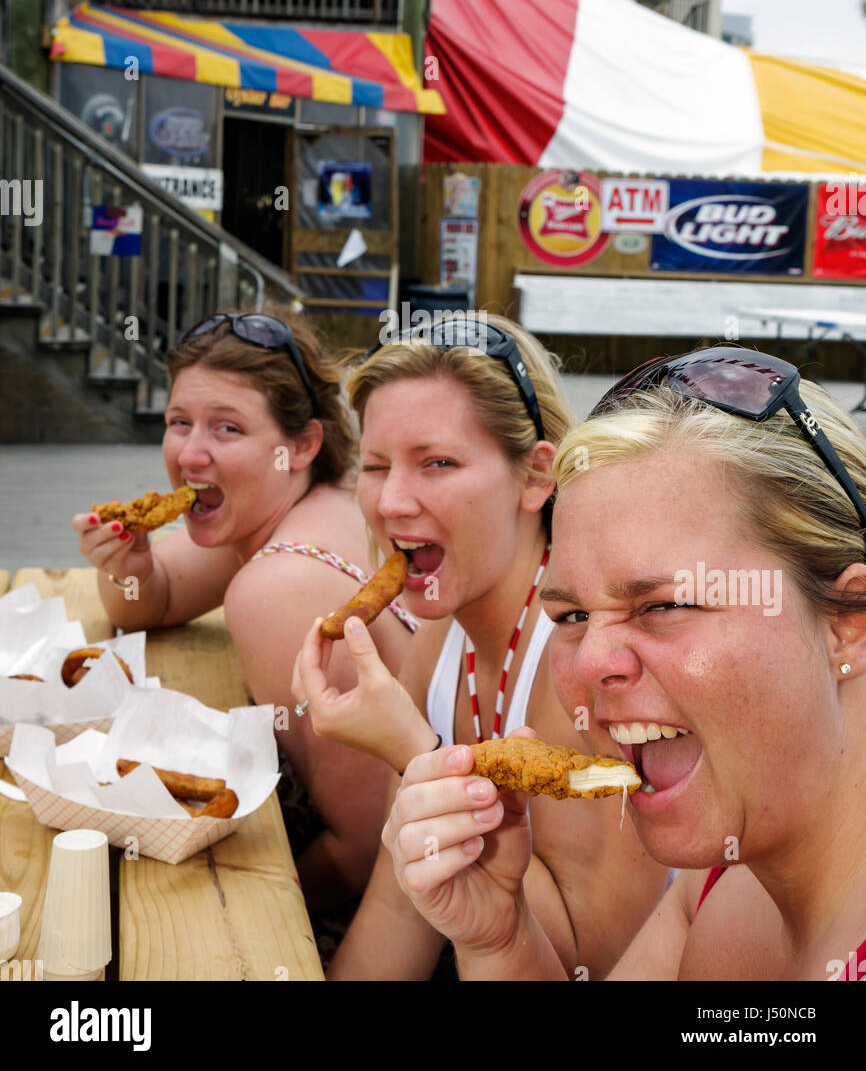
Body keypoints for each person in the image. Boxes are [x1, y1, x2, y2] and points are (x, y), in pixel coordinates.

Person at [380, 347, 866, 981]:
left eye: (663, 604)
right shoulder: (719, 879)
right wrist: (498, 939)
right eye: (572, 617)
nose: (592, 664)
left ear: (846, 623)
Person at [292, 313, 669, 979]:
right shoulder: (438, 636)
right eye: (376, 466)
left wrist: (414, 754)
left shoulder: (590, 659)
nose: (393, 501)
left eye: (438, 462)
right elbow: (397, 903)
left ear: (534, 477)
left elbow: (592, 956)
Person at [72, 309, 414, 930]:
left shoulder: (276, 584)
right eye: (180, 423)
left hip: (390, 925)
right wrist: (128, 562)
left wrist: (209, 924)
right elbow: (149, 601)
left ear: (302, 445)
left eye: (227, 428)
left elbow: (367, 846)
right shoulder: (298, 503)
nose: (190, 453)